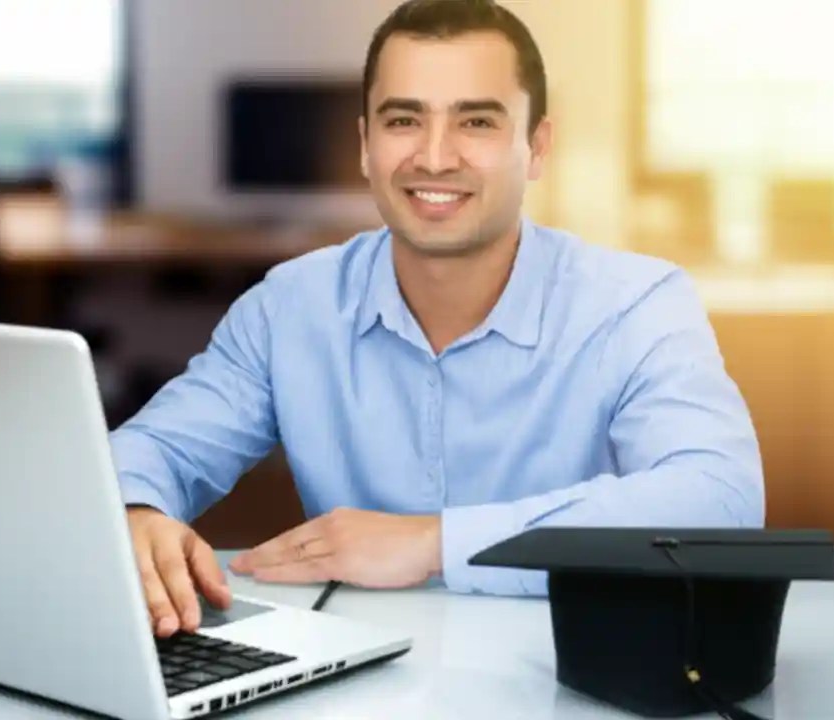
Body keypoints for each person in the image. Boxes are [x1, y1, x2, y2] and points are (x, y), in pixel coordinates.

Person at [111, 0, 764, 638]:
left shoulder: (635, 305)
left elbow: (721, 502)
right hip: (357, 679)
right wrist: (135, 509)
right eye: (403, 121)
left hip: (571, 674)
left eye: (476, 123)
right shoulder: (290, 307)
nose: (434, 156)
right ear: (365, 145)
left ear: (537, 147)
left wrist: (436, 543)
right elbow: (153, 450)